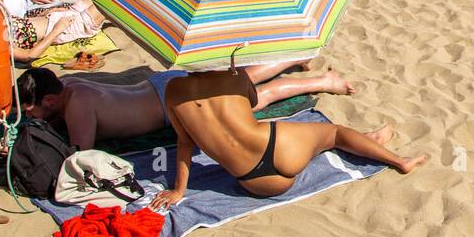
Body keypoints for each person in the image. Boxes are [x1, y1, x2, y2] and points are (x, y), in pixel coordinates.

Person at [143, 64, 425, 208]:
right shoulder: (234, 76)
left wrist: (179, 191)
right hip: (277, 147)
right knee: (335, 133)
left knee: (324, 140)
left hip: (254, 182)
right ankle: (398, 160)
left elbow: (185, 144)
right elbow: (251, 101)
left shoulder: (174, 90)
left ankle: (361, 144)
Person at [15, 59, 358, 151]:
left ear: (49, 99)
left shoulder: (76, 104)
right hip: (162, 86)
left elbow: (80, 150)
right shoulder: (69, 84)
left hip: (174, 103)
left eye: (35, 110)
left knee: (250, 100)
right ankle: (294, 57)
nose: (34, 116)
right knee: (241, 78)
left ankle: (323, 82)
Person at [7, 0, 107, 63]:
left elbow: (24, 23)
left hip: (54, 16)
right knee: (108, 1)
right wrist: (57, 29)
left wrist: (45, 13)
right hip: (64, 28)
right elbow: (29, 56)